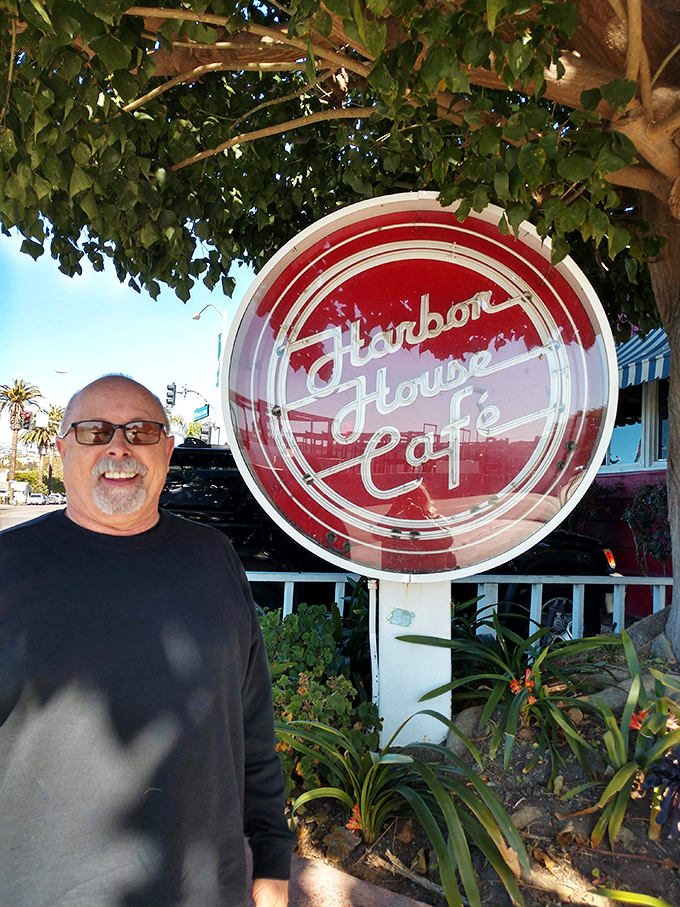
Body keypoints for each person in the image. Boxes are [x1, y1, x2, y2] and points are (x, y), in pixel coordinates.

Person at [0, 375, 295, 907]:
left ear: (167, 450)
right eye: (93, 431)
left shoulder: (214, 557)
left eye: (141, 431)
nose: (119, 446)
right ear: (62, 448)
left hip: (204, 889)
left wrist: (272, 854)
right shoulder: (7, 566)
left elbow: (249, 720)